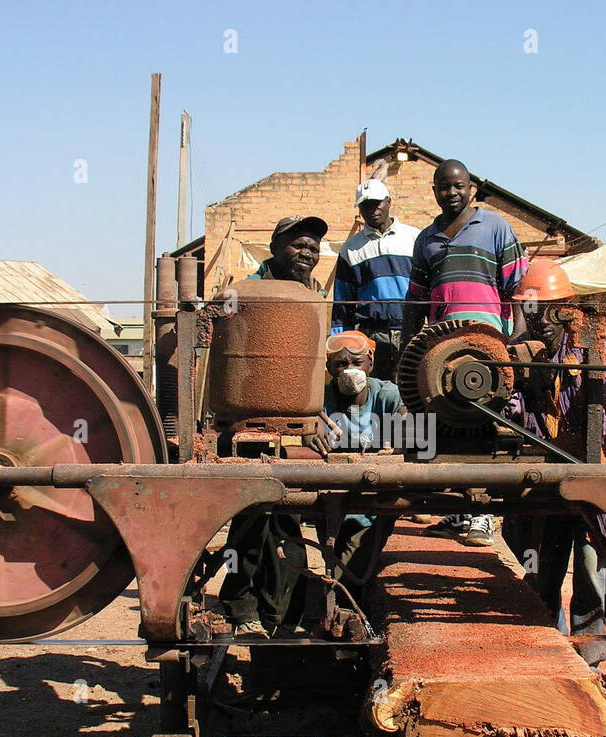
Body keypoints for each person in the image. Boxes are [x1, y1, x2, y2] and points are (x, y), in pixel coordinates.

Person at [406, 159, 528, 547]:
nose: (451, 192)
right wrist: (408, 345)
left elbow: (516, 287)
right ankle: (458, 513)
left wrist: (517, 337)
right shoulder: (426, 238)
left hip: (489, 342)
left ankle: (482, 519)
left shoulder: (495, 226)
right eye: (443, 187)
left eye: (458, 185)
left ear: (471, 187)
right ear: (435, 191)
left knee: (486, 423)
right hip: (442, 345)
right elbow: (416, 298)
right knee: (452, 423)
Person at [501, 258, 606, 665]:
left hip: (589, 477)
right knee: (544, 563)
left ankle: (590, 651)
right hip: (545, 476)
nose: (537, 323)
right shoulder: (524, 353)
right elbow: (513, 407)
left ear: (567, 309)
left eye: (546, 313)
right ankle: (547, 645)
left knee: (590, 565)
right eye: (529, 312)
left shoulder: (597, 347)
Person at [218, 215, 329, 638]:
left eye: (314, 248)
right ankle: (241, 607)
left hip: (294, 426)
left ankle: (276, 614)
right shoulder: (247, 292)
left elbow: (312, 364)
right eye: (299, 244)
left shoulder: (313, 294)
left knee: (285, 524)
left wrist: (315, 412)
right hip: (250, 425)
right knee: (251, 521)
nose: (308, 253)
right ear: (275, 247)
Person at [306, 330, 403, 590]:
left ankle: (336, 606)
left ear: (370, 363)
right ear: (329, 367)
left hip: (374, 503)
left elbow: (409, 424)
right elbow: (307, 426)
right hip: (331, 498)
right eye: (340, 364)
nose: (349, 370)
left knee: (351, 567)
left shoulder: (387, 395)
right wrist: (308, 436)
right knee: (335, 555)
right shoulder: (318, 400)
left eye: (356, 362)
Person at [332, 180, 419, 381]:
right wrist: (342, 344)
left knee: (414, 390)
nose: (372, 209)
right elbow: (342, 304)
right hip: (371, 336)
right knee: (373, 392)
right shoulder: (351, 249)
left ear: (388, 202)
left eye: (377, 203)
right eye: (365, 205)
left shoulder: (414, 238)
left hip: (411, 331)